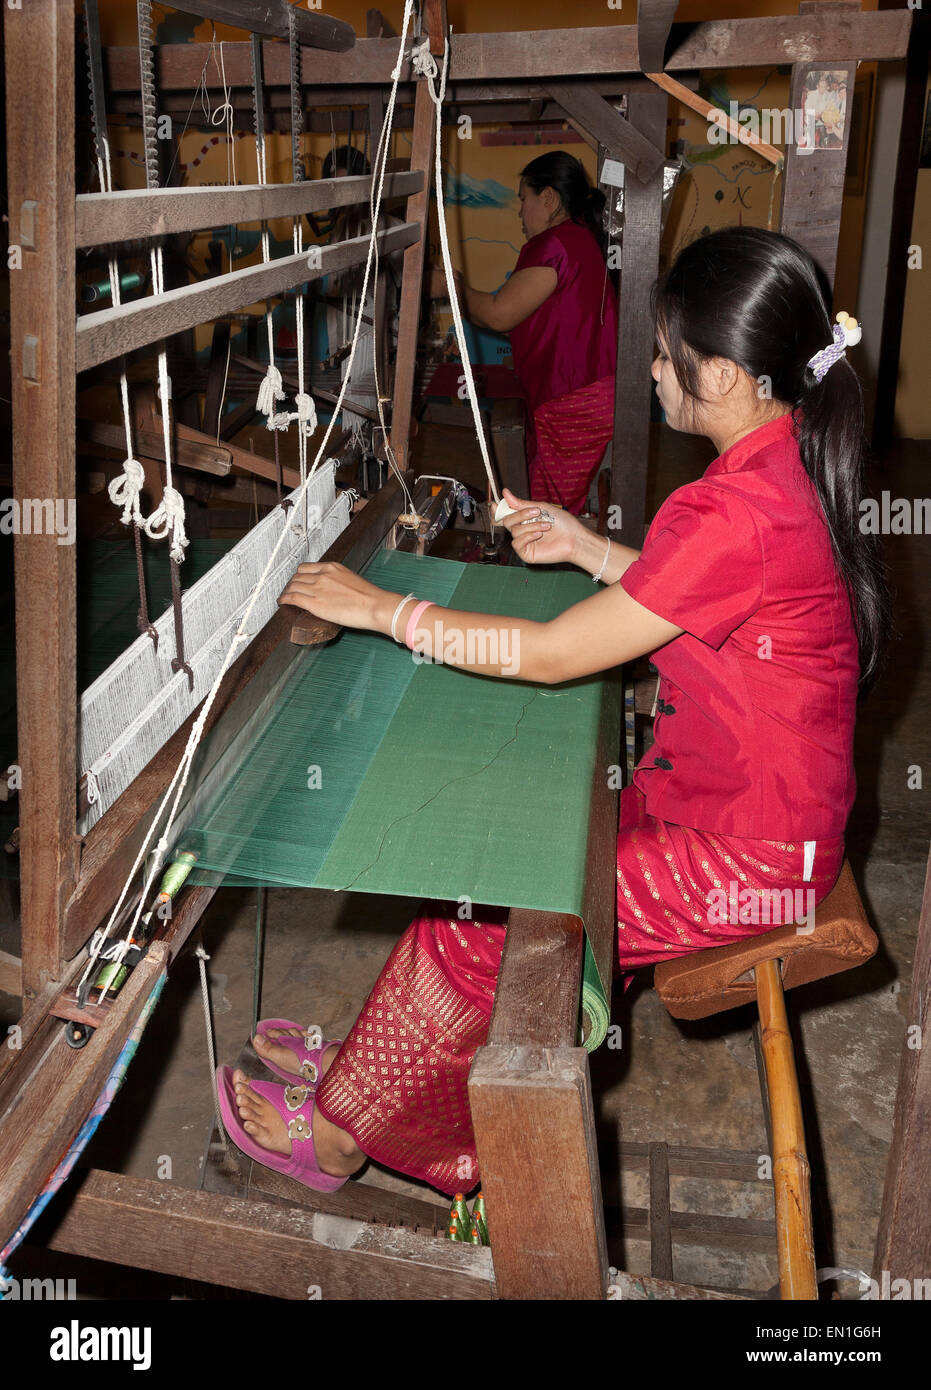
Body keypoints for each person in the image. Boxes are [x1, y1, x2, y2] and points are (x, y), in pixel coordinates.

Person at [218, 227, 889, 1196]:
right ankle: (387, 1075)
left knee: (469, 921)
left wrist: (380, 610)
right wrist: (586, 550)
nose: (653, 374)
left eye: (667, 357)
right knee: (495, 862)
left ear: (733, 378)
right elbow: (705, 604)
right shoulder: (782, 467)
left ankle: (339, 1137)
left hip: (747, 859)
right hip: (752, 811)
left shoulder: (734, 507)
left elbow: (545, 657)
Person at [430, 151, 618, 515]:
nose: (520, 211)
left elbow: (500, 314)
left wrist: (452, 287)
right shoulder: (579, 242)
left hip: (574, 399)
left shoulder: (558, 244)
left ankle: (542, 567)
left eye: (523, 199)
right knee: (544, 496)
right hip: (587, 392)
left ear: (548, 198)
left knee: (547, 513)